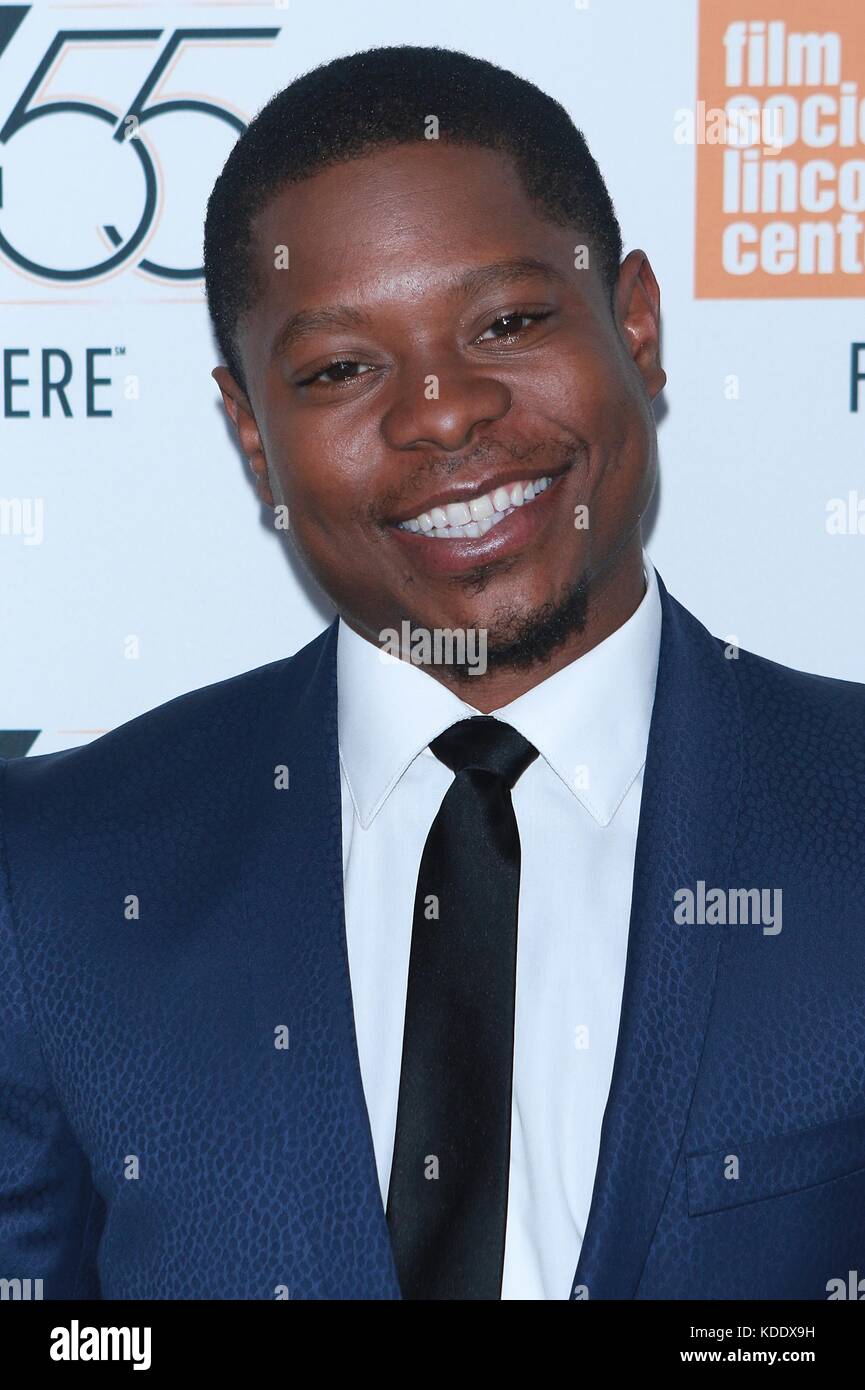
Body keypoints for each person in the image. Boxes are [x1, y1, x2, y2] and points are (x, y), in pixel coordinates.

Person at [2, 46, 864, 1302]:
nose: (444, 412)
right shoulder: (54, 874)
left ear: (636, 326)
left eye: (507, 323)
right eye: (342, 369)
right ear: (251, 430)